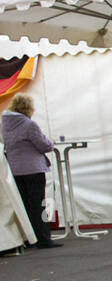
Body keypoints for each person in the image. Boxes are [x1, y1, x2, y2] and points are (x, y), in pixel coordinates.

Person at [1, 93, 60, 248]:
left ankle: (29, 237)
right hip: (33, 169)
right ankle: (43, 238)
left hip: (15, 170)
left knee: (25, 205)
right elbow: (44, 145)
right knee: (38, 205)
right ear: (28, 108)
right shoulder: (28, 124)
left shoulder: (4, 124)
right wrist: (50, 141)